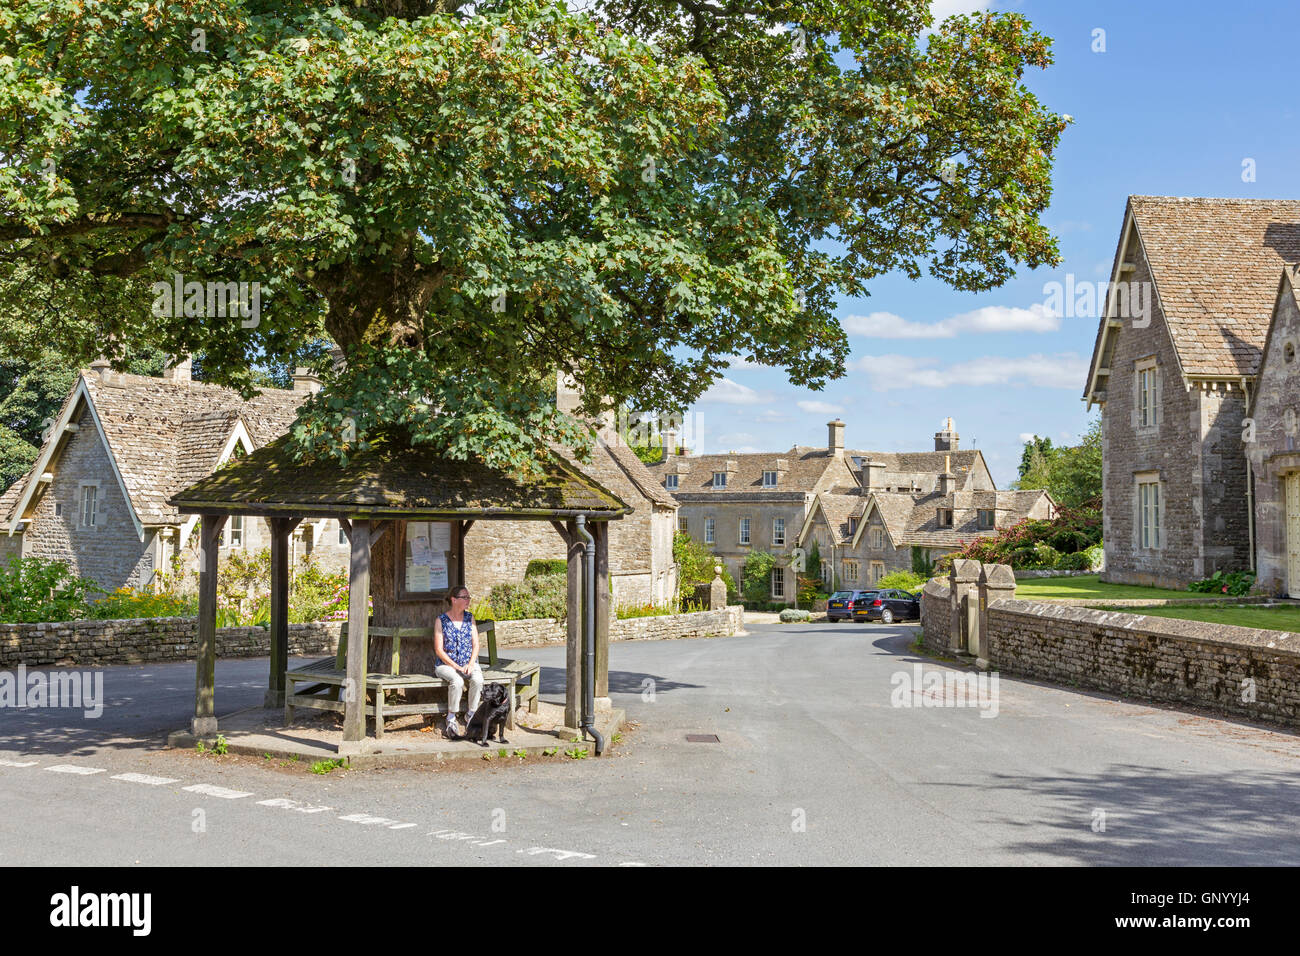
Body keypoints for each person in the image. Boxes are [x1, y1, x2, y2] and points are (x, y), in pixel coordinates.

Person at [434, 586, 482, 739]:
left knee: (478, 679)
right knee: (457, 680)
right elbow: (439, 650)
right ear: (454, 600)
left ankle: (471, 715)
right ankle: (451, 717)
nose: (468, 600)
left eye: (469, 597)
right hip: (445, 665)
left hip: (468, 663)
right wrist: (457, 667)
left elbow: (476, 645)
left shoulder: (470, 618)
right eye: (465, 597)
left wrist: (470, 663)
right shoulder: (441, 620)